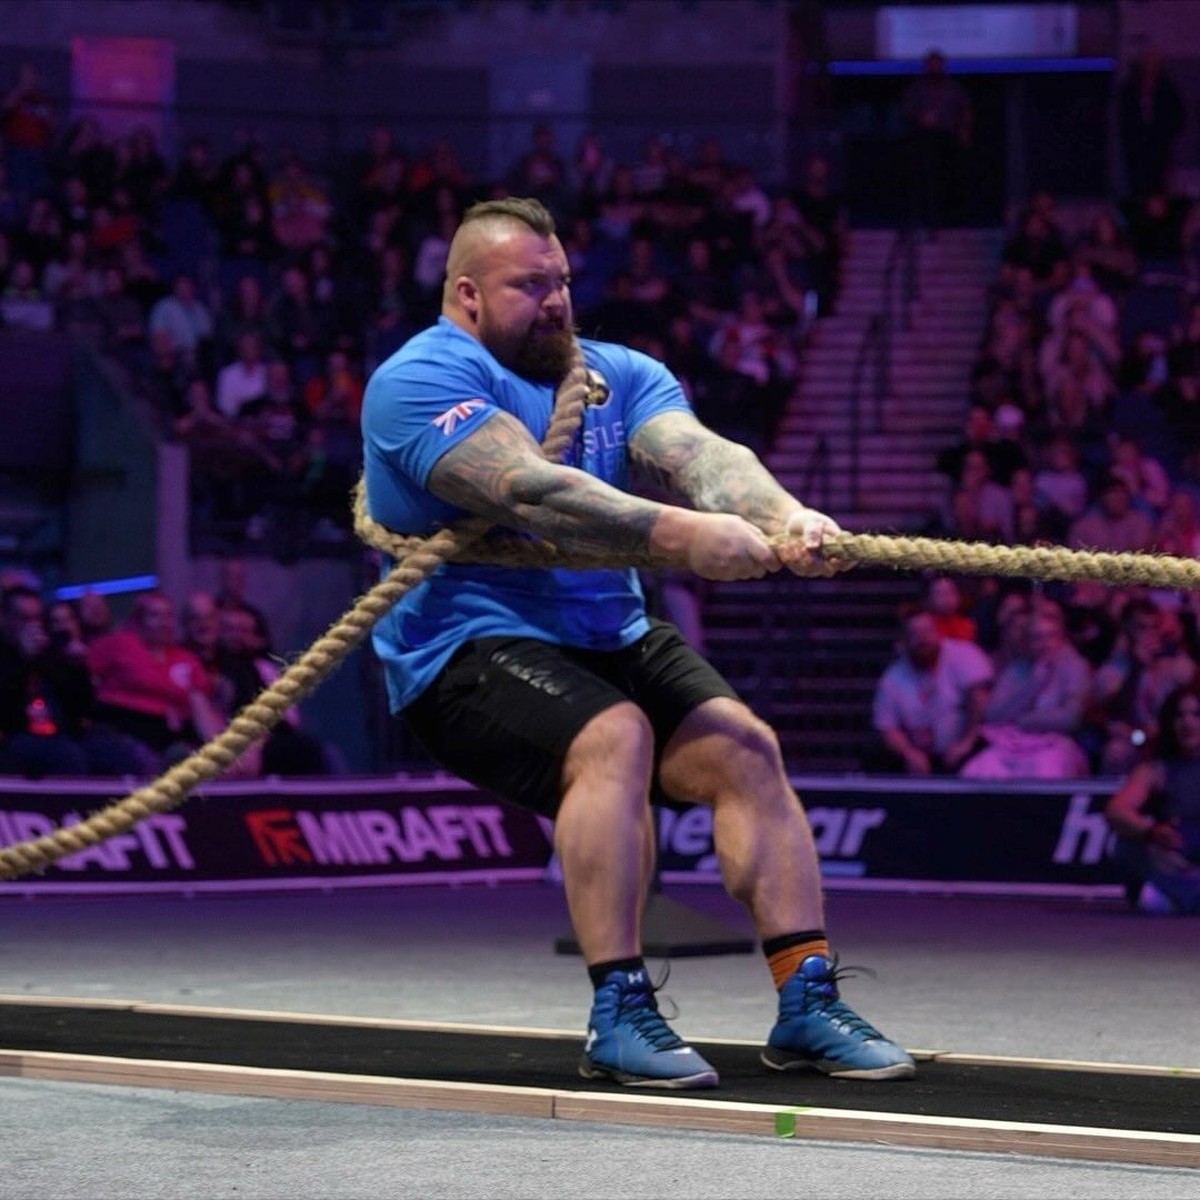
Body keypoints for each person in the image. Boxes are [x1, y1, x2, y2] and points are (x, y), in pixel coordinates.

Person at [361, 197, 915, 1088]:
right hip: (464, 649)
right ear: (467, 294)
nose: (555, 300)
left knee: (747, 751)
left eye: (561, 281)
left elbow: (702, 455)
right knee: (615, 735)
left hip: (607, 632)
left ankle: (807, 1002)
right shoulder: (418, 379)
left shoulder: (618, 372)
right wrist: (686, 537)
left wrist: (785, 515)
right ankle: (618, 1013)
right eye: (529, 285)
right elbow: (532, 491)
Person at [1104, 681, 1200, 915]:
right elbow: (1117, 810)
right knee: (1124, 847)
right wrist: (1151, 831)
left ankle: (1174, 897)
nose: (1187, 723)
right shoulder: (1156, 769)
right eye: (1180, 716)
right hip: (1173, 858)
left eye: (1196, 715)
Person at [871, 604, 993, 775]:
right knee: (875, 753)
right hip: (919, 754)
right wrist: (908, 752)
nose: (923, 639)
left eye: (927, 631)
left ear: (937, 632)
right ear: (904, 641)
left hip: (964, 746)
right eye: (915, 634)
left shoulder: (965, 655)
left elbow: (980, 701)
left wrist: (966, 743)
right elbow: (887, 726)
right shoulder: (893, 677)